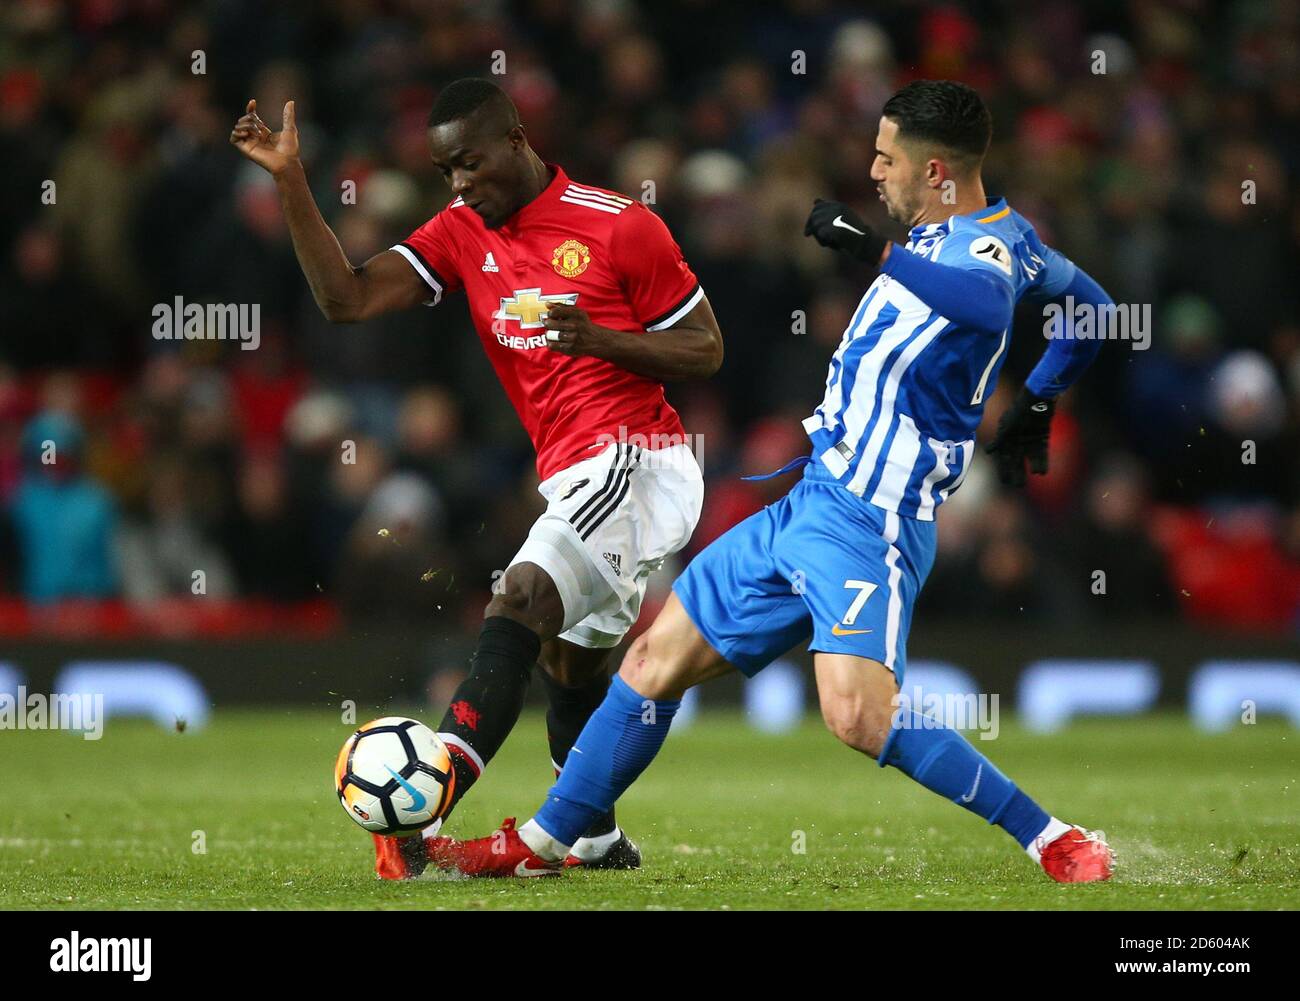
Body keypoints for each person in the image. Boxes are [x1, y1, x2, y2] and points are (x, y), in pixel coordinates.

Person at [426, 80, 1116, 882]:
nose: (874, 170)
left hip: (872, 520)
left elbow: (987, 306)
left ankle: (1056, 838)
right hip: (813, 501)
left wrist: (875, 251)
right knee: (655, 661)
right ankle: (544, 846)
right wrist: (1038, 398)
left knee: (857, 715)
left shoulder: (982, 251)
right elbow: (1092, 306)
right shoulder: (1008, 235)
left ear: (937, 173)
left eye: (887, 159)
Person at [230, 78, 723, 878]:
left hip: (643, 459)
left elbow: (705, 349)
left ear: (517, 142)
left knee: (521, 596)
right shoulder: (463, 232)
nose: (458, 184)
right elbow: (345, 299)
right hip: (572, 473)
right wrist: (290, 182)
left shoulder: (621, 227)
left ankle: (424, 812)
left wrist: (598, 339)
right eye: (445, 170)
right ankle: (593, 837)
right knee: (573, 665)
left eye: (469, 163)